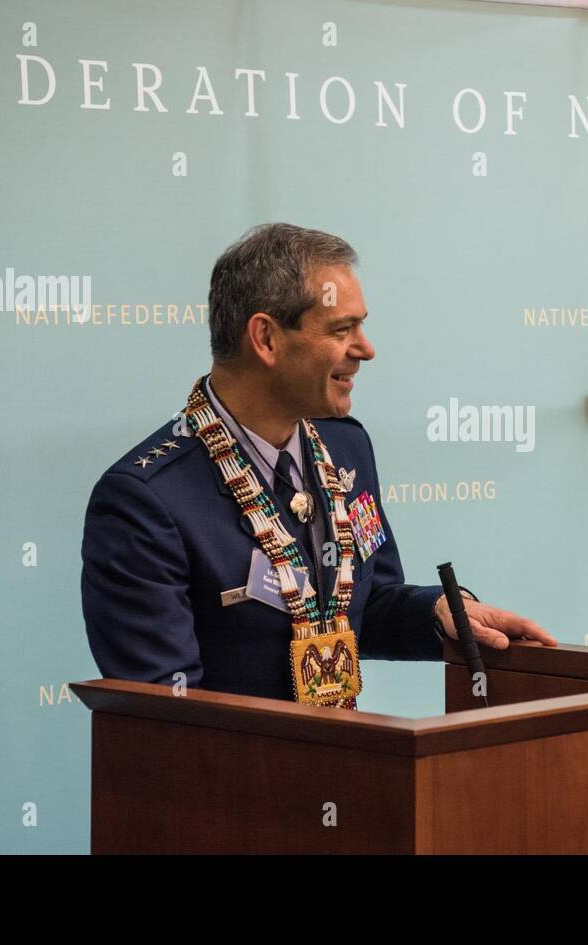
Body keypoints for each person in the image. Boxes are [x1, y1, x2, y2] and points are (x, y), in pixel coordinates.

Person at [81, 223, 555, 707]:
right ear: (265, 338)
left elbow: (362, 605)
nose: (365, 349)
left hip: (345, 769)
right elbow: (167, 720)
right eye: (341, 329)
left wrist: (438, 614)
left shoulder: (345, 446)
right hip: (242, 778)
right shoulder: (145, 500)